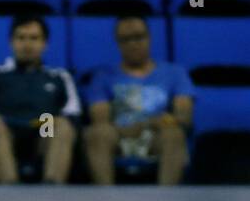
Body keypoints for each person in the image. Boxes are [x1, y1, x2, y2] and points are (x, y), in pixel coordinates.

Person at [83, 15, 194, 186]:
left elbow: (184, 117)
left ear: (149, 38)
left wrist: (150, 125)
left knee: (174, 133)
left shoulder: (175, 73)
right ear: (118, 43)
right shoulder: (102, 76)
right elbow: (100, 119)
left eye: (139, 37)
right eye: (126, 39)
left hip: (156, 137)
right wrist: (138, 127)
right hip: (119, 137)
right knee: (97, 134)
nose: (133, 44)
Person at [0, 16, 80, 184]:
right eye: (21, 38)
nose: (27, 44)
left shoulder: (59, 77)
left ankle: (52, 189)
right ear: (11, 41)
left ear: (45, 43)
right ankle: (10, 188)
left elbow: (73, 115)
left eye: (34, 38)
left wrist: (42, 123)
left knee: (62, 125)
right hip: (5, 132)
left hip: (43, 131)